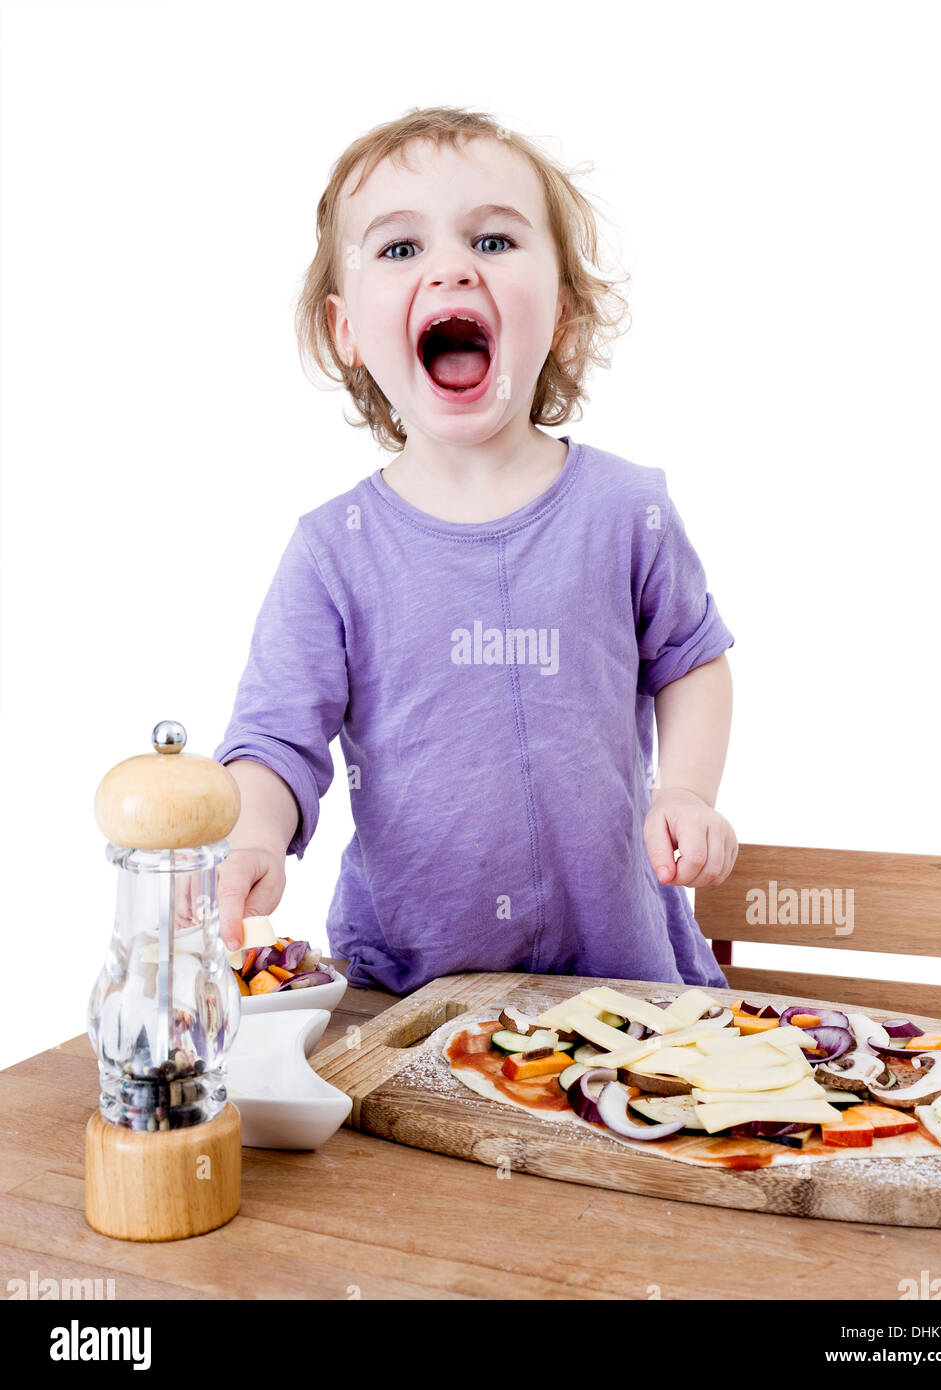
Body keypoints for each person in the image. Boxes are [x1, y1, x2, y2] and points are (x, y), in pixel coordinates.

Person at [212, 105, 738, 996]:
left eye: (493, 242)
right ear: (346, 330)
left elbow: (694, 661)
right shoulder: (332, 553)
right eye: (400, 249)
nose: (451, 266)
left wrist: (685, 790)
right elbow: (273, 738)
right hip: (407, 993)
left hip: (622, 979)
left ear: (564, 312)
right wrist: (258, 836)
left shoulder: (627, 509)